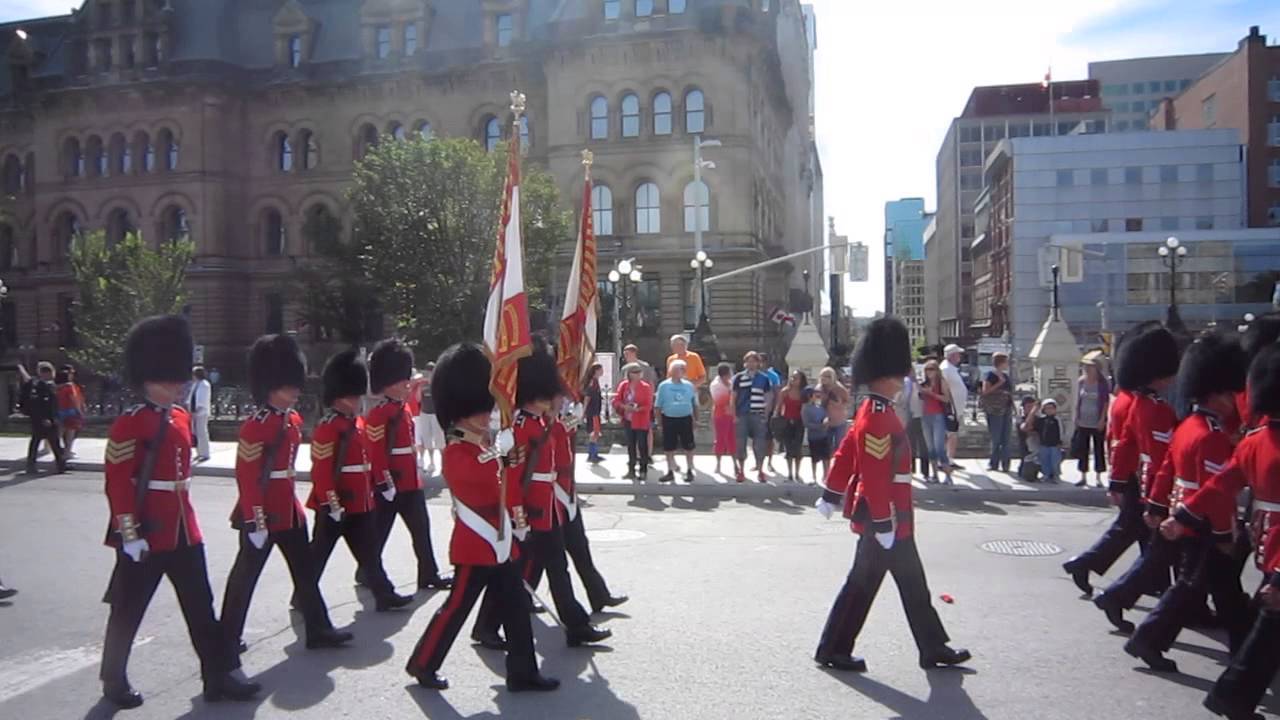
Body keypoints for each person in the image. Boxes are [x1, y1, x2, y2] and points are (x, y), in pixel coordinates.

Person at [99, 316, 258, 709]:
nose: (177, 382)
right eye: (168, 376)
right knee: (128, 610)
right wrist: (130, 534)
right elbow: (118, 484)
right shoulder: (129, 423)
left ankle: (219, 674)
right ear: (147, 376)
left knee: (201, 607)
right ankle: (113, 678)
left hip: (184, 529)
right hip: (147, 532)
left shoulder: (181, 417)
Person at [814, 317, 970, 673]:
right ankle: (833, 648)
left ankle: (933, 646)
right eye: (899, 374)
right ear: (884, 374)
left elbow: (845, 456)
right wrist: (884, 522)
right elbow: (873, 474)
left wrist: (831, 493)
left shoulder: (872, 410)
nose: (903, 380)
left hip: (890, 517)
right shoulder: (879, 416)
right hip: (884, 517)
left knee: (913, 581)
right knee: (861, 585)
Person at [405, 342, 560, 693]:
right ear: (461, 408)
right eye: (477, 407)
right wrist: (503, 462)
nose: (483, 413)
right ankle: (423, 662)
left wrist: (516, 515)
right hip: (477, 545)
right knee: (456, 608)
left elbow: (505, 484)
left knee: (518, 607)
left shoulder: (484, 444)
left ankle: (522, 672)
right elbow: (481, 491)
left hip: (500, 542)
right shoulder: (460, 448)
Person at [1162, 343, 1280, 720]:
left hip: (1266, 539)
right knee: (1268, 628)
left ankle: (1233, 695)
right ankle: (1231, 696)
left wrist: (1183, 514)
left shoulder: (1252, 442)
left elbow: (1221, 486)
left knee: (1269, 626)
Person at [1124, 331, 1252, 673]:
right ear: (1217, 395)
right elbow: (1217, 492)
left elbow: (1166, 468)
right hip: (1204, 524)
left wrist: (1157, 503)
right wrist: (1226, 534)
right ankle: (1150, 638)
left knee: (1210, 590)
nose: (1233, 401)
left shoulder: (1188, 426)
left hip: (1187, 516)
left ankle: (1245, 652)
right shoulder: (1211, 436)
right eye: (1229, 394)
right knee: (1195, 589)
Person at [474, 340, 611, 649]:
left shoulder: (540, 422)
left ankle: (574, 625)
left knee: (550, 567)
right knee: (518, 572)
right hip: (532, 510)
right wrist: (518, 516)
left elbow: (558, 457)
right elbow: (510, 475)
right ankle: (488, 625)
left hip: (549, 507)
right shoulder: (519, 428)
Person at [220, 334, 352, 656]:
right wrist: (256, 519)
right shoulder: (257, 424)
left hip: (289, 510)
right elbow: (247, 476)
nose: (296, 389)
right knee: (244, 579)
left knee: (305, 573)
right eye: (288, 384)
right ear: (270, 384)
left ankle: (318, 628)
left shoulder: (290, 420)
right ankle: (226, 638)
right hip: (263, 512)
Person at [1061, 322, 1171, 597]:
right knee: (1133, 530)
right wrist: (1119, 481)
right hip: (1140, 475)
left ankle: (1155, 581)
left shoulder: (1123, 397)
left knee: (1140, 533)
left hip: (1133, 474)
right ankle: (1091, 569)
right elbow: (1126, 444)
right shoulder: (1137, 402)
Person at [309, 350, 413, 612]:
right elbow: (321, 470)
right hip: (338, 502)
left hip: (360, 501)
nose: (358, 400)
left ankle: (384, 594)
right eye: (354, 395)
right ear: (341, 396)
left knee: (370, 553)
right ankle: (303, 596)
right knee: (317, 556)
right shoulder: (328, 426)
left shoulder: (354, 424)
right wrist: (331, 503)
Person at [1092, 324, 1181, 633]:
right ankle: (1120, 597)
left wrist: (1118, 482)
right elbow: (1162, 461)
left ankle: (1122, 596)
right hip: (1161, 490)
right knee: (1166, 555)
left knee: (1163, 554)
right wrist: (1158, 503)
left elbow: (1126, 445)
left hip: (1147, 486)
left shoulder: (1141, 404)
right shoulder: (1156, 409)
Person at [365, 339, 452, 591]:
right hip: (391, 482)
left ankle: (428, 574)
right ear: (388, 382)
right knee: (378, 534)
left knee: (421, 530)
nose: (407, 384)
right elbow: (377, 452)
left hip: (410, 481)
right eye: (401, 380)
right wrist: (383, 481)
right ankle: (367, 571)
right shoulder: (379, 414)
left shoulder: (401, 409)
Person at [532, 393, 628, 613]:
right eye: (557, 398)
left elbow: (569, 431)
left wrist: (579, 408)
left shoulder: (554, 423)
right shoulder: (542, 425)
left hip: (565, 494)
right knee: (539, 559)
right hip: (552, 497)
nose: (559, 401)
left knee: (579, 548)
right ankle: (502, 612)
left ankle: (599, 595)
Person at [732, 352, 772, 483]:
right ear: (745, 363)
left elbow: (768, 397)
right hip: (742, 414)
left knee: (759, 443)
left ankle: (760, 470)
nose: (751, 364)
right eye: (748, 361)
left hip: (757, 414)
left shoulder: (764, 378)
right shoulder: (738, 378)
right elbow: (733, 397)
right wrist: (734, 414)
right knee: (740, 443)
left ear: (758, 363)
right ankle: (741, 471)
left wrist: (765, 414)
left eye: (754, 361)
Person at [655, 359, 698, 483]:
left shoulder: (689, 386)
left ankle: (690, 470)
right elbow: (657, 406)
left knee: (689, 446)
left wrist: (696, 420)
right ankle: (670, 471)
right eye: (679, 369)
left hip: (685, 419)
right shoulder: (664, 386)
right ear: (672, 371)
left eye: (683, 369)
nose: (682, 371)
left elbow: (694, 404)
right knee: (669, 447)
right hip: (669, 419)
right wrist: (659, 423)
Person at [1073, 353, 1111, 487]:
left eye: (1090, 367)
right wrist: (1076, 417)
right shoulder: (1081, 382)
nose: (1088, 369)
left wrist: (1102, 420)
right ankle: (1082, 475)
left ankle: (1098, 477)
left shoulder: (1102, 383)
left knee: (1098, 449)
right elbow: (1078, 400)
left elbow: (1106, 402)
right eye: (1086, 367)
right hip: (1083, 420)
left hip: (1097, 421)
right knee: (1082, 449)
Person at [20, 361, 65, 474]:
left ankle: (59, 465)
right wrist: (45, 418)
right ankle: (59, 465)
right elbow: (41, 404)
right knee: (48, 442)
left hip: (48, 418)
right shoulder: (41, 386)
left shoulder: (47, 384)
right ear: (45, 373)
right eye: (49, 372)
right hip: (44, 419)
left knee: (44, 442)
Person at [612, 363, 654, 480]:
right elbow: (616, 400)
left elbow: (648, 405)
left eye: (639, 372)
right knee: (630, 445)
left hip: (641, 420)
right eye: (634, 372)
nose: (637, 374)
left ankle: (643, 470)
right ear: (629, 374)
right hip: (628, 419)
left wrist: (637, 409)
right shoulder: (624, 385)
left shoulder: (646, 386)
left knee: (642, 445)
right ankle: (631, 470)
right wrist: (624, 407)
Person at [918, 360, 953, 485]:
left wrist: (931, 393)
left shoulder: (941, 382)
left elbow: (946, 398)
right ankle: (935, 475)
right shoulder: (924, 383)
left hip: (938, 415)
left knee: (939, 448)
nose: (929, 372)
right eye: (927, 370)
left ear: (937, 370)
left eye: (932, 369)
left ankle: (948, 476)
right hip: (925, 416)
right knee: (930, 448)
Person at [980, 352, 1014, 473]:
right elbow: (985, 391)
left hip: (1006, 409)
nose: (1008, 364)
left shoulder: (1006, 376)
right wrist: (999, 384)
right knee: (996, 438)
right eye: (1006, 361)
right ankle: (993, 463)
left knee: (1006, 438)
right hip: (994, 410)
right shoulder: (989, 375)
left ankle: (1006, 464)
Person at [774, 370, 807, 482]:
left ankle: (797, 473)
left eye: (796, 378)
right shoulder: (785, 391)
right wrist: (775, 422)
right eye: (792, 377)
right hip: (787, 422)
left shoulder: (804, 393)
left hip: (799, 422)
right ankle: (789, 473)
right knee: (788, 448)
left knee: (797, 448)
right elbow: (778, 407)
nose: (793, 380)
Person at [1021, 399, 1065, 482]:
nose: (1049, 410)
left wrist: (1060, 442)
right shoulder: (1041, 420)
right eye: (1047, 408)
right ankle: (1046, 475)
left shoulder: (1057, 420)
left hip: (1055, 445)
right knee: (1045, 461)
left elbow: (1061, 431)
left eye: (1051, 408)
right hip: (1044, 445)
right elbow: (1028, 428)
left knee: (1055, 462)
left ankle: (1056, 476)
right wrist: (1033, 411)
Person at [940, 344, 968, 469]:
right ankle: (945, 460)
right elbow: (943, 388)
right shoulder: (945, 369)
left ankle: (949, 459)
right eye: (958, 354)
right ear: (952, 355)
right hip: (950, 408)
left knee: (952, 434)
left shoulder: (951, 368)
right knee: (950, 434)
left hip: (956, 408)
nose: (960, 356)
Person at [416, 362, 446, 476]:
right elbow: (418, 399)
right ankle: (432, 462)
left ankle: (444, 464)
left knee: (439, 440)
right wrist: (420, 386)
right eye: (427, 371)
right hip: (425, 413)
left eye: (431, 371)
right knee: (427, 439)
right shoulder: (423, 384)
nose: (428, 373)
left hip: (435, 414)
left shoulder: (438, 384)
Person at [710, 362, 738, 477]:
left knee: (732, 440)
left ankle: (735, 464)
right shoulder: (716, 385)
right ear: (726, 374)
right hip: (720, 415)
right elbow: (720, 401)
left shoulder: (731, 384)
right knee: (721, 439)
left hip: (730, 415)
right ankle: (718, 464)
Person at [902, 368, 931, 478]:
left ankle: (925, 472)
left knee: (924, 445)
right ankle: (911, 469)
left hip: (922, 417)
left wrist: (917, 383)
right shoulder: (904, 384)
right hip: (910, 417)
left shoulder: (921, 384)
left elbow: (924, 395)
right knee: (910, 444)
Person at [55, 365, 86, 460]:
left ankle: (57, 451)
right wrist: (80, 411)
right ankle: (67, 452)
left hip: (60, 411)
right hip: (71, 411)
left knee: (58, 433)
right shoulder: (70, 386)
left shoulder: (56, 387)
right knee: (70, 434)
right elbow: (74, 399)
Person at [759, 353, 782, 473]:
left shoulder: (773, 376)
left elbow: (777, 394)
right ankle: (759, 462)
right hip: (756, 409)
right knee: (758, 438)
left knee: (769, 438)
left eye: (761, 361)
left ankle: (770, 462)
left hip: (770, 410)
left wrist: (776, 410)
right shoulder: (755, 375)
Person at [802, 387, 831, 484]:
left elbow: (825, 415)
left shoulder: (820, 407)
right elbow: (806, 424)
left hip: (823, 435)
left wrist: (826, 421)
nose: (817, 396)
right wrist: (819, 426)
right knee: (814, 457)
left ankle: (826, 475)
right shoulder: (805, 408)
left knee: (826, 457)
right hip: (813, 436)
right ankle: (814, 476)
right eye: (815, 394)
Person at [819, 367, 851, 447]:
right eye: (823, 376)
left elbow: (848, 402)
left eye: (828, 376)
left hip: (839, 420)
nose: (825, 378)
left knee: (839, 444)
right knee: (826, 446)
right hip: (825, 421)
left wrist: (839, 404)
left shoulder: (839, 388)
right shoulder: (819, 388)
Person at [187, 365, 212, 462]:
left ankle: (205, 453)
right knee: (196, 433)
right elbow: (191, 397)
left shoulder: (204, 384)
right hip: (194, 412)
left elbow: (202, 398)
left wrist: (198, 408)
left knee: (202, 433)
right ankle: (199, 452)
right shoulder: (196, 384)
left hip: (201, 412)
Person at [583, 363, 605, 463]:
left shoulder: (595, 381)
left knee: (595, 433)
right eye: (601, 369)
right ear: (596, 370)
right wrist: (584, 411)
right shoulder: (593, 382)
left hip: (595, 411)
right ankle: (592, 454)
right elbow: (588, 397)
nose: (602, 371)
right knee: (594, 433)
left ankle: (594, 453)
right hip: (593, 412)